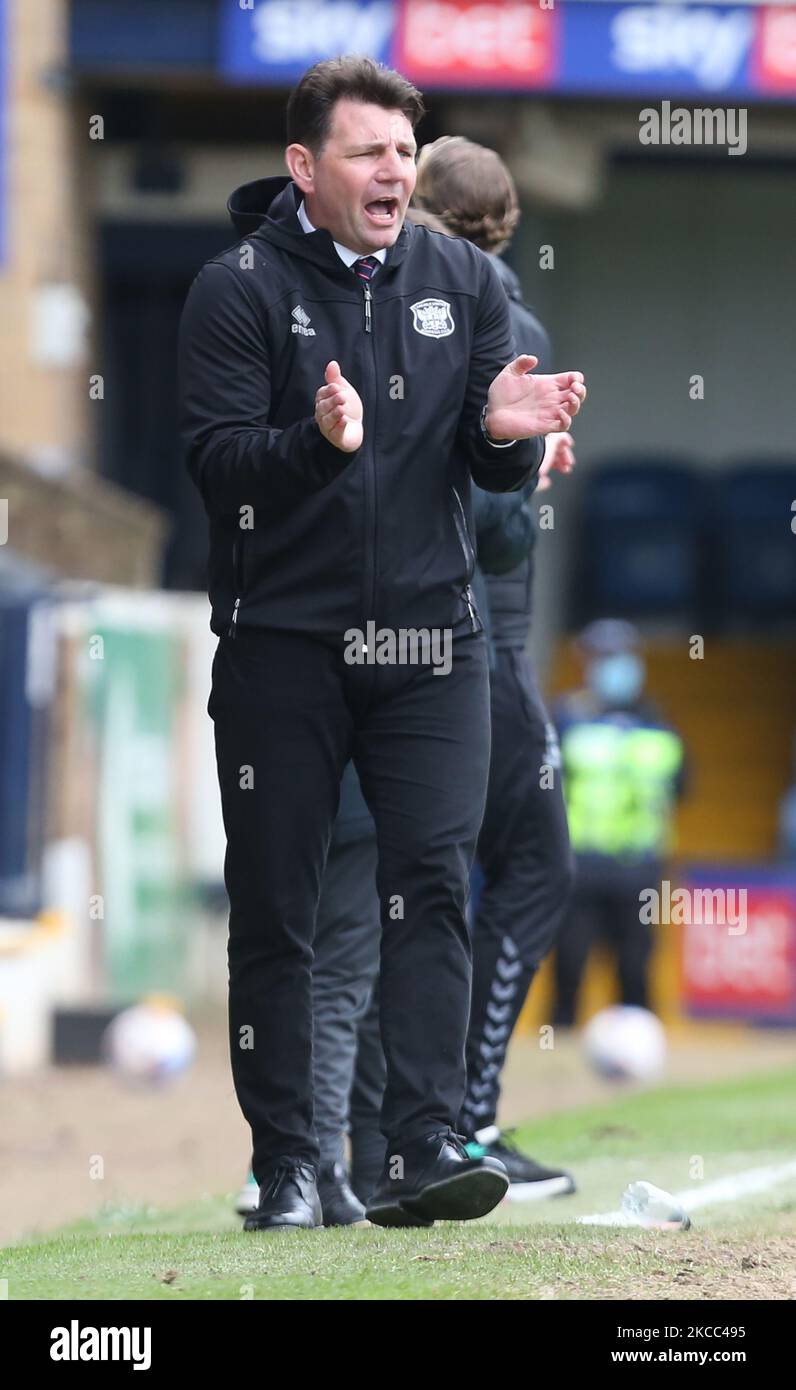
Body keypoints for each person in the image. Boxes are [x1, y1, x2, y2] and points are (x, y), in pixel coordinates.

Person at [180, 55, 586, 1232]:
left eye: (405, 154)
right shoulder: (236, 288)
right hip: (284, 645)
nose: (393, 173)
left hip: (428, 645)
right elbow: (215, 467)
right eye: (368, 152)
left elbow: (486, 461)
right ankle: (290, 1166)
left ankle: (420, 1145)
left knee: (428, 889)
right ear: (306, 167)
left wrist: (506, 438)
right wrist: (314, 442)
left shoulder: (463, 278)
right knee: (278, 908)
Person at [343, 145, 578, 1204]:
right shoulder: (500, 323)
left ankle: (351, 1148)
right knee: (524, 868)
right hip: (473, 645)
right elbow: (496, 538)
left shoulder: (367, 298)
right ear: (508, 221)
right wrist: (524, 471)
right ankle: (454, 1120)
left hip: (368, 637)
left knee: (383, 893)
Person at [552, 620, 685, 1025]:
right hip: (580, 867)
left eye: (620, 656)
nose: (614, 666)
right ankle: (557, 1057)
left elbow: (680, 786)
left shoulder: (658, 721)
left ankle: (639, 1055)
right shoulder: (565, 721)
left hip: (639, 869)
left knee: (635, 969)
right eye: (604, 657)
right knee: (569, 966)